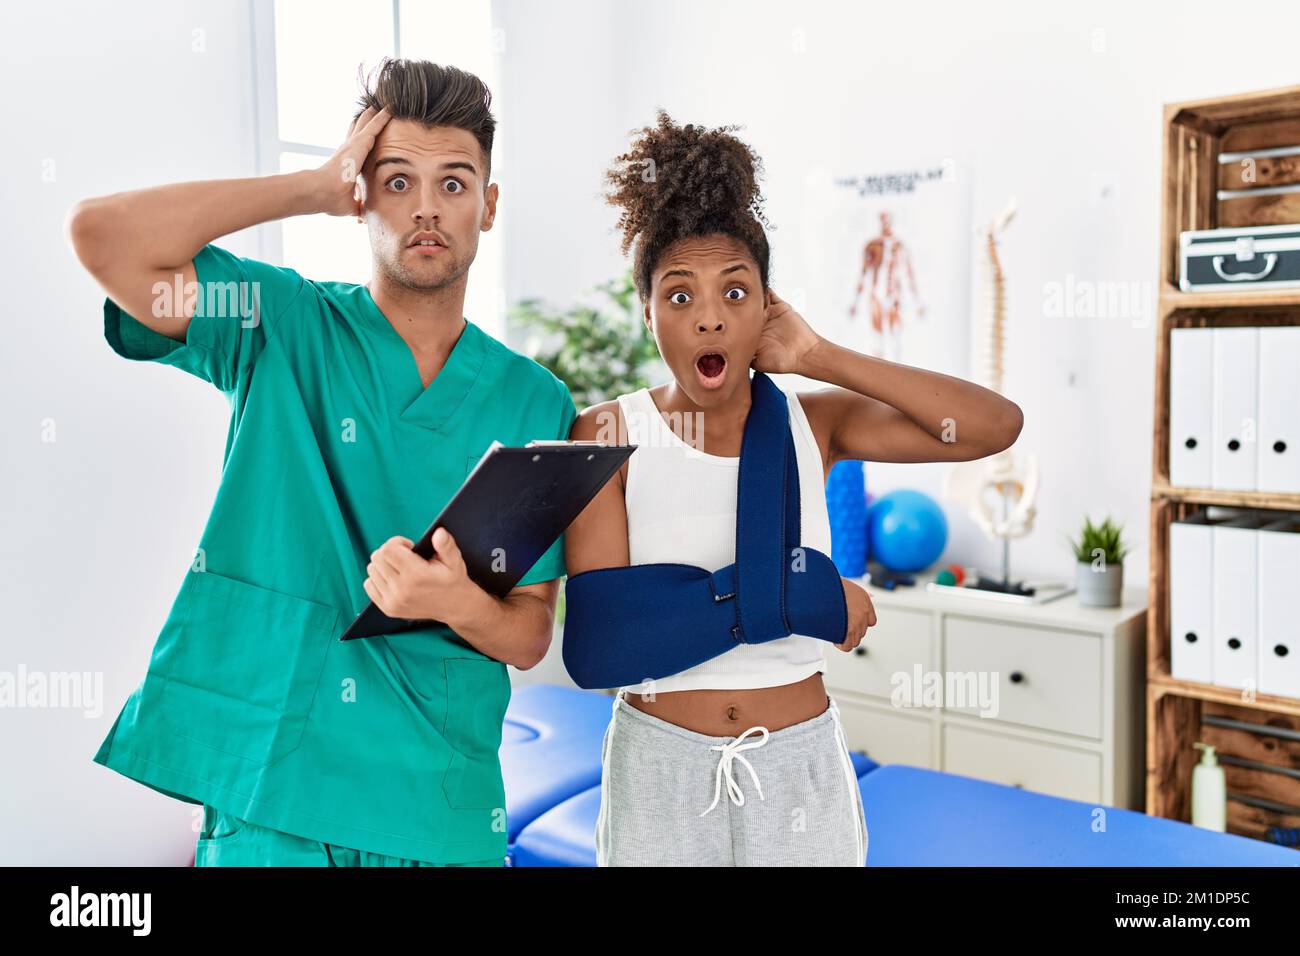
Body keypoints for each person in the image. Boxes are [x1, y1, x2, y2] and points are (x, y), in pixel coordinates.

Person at [67, 59, 575, 866]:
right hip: (277, 794)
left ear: (489, 204)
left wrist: (453, 602)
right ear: (361, 194)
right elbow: (104, 238)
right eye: (396, 180)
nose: (427, 209)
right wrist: (307, 186)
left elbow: (526, 636)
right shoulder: (279, 324)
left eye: (454, 183)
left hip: (438, 806)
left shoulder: (534, 401)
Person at [564, 110, 1024, 866]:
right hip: (660, 774)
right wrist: (797, 595)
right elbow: (604, 646)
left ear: (768, 307)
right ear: (646, 311)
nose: (710, 319)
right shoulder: (607, 434)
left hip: (796, 768)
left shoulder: (817, 424)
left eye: (736, 293)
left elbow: (990, 426)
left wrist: (820, 354)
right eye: (679, 297)